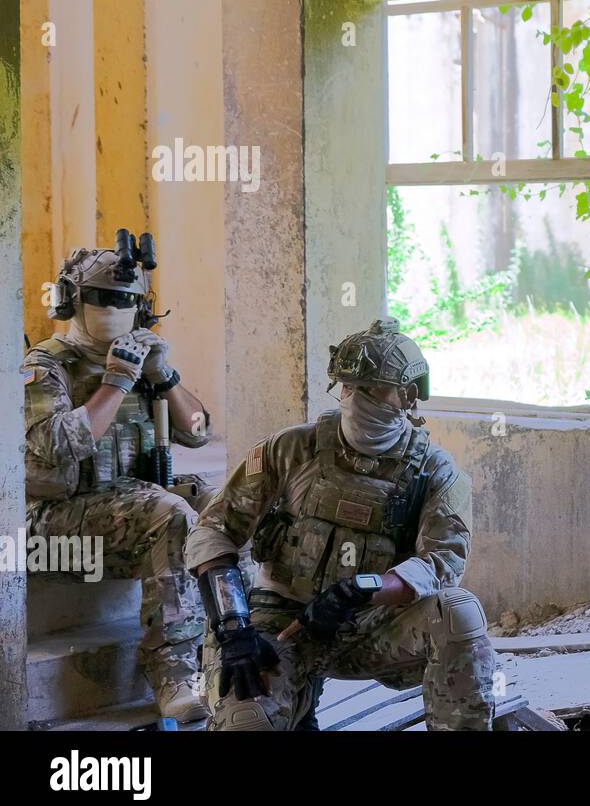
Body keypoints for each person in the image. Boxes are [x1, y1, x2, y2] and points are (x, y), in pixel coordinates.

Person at [185, 318, 497, 731]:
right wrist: (232, 628)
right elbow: (214, 530)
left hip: (369, 627)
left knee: (459, 612)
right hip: (280, 624)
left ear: (407, 395)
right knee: (246, 721)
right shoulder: (293, 448)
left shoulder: (434, 470)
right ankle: (291, 705)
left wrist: (361, 591)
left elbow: (443, 563)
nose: (353, 399)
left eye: (369, 389)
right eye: (347, 387)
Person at [23, 234, 215, 722]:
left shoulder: (142, 359)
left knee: (225, 506)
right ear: (72, 302)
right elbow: (60, 445)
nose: (115, 308)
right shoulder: (45, 366)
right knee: (168, 514)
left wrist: (165, 375)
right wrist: (116, 381)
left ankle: (233, 643)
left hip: (123, 511)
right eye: (103, 298)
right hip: (52, 528)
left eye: (126, 300)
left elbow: (198, 432)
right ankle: (174, 671)